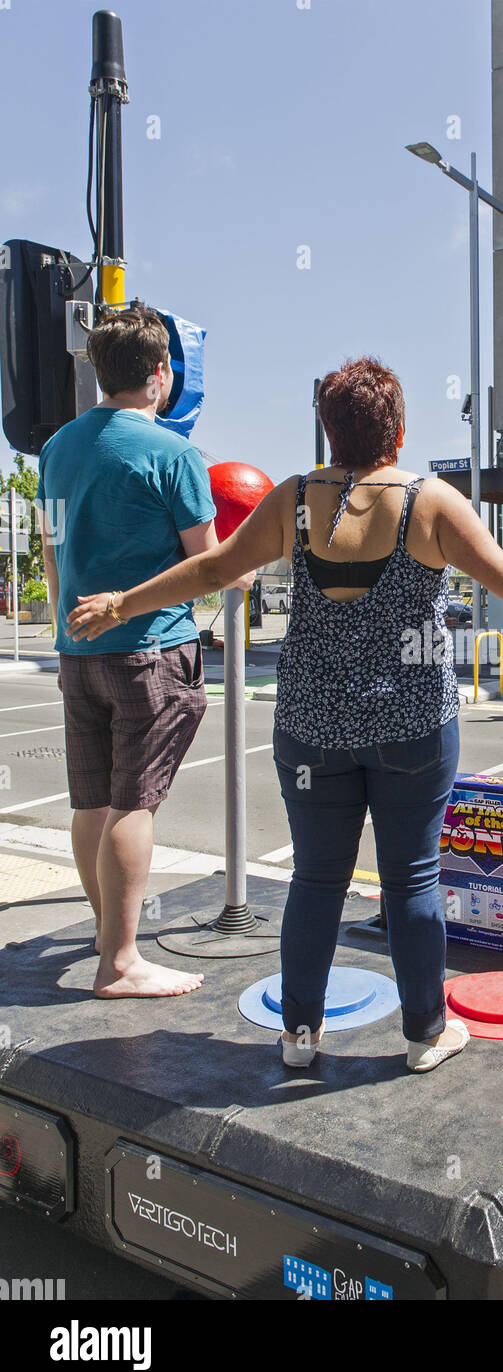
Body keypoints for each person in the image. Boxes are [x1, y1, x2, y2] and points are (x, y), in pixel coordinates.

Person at [65, 356, 503, 1071]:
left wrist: (122, 602)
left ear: (328, 430)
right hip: (414, 730)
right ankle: (424, 1034)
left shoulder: (292, 498)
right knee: (412, 880)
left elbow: (213, 572)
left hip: (311, 730)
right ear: (396, 431)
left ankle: (300, 1037)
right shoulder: (432, 502)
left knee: (316, 879)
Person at [36, 306, 248, 1001]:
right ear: (161, 375)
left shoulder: (58, 449)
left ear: (99, 372)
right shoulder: (176, 454)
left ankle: (110, 935)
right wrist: (241, 570)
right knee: (134, 806)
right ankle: (120, 962)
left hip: (78, 652)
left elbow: (50, 550)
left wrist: (73, 619)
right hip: (151, 654)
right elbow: (208, 565)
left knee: (91, 802)